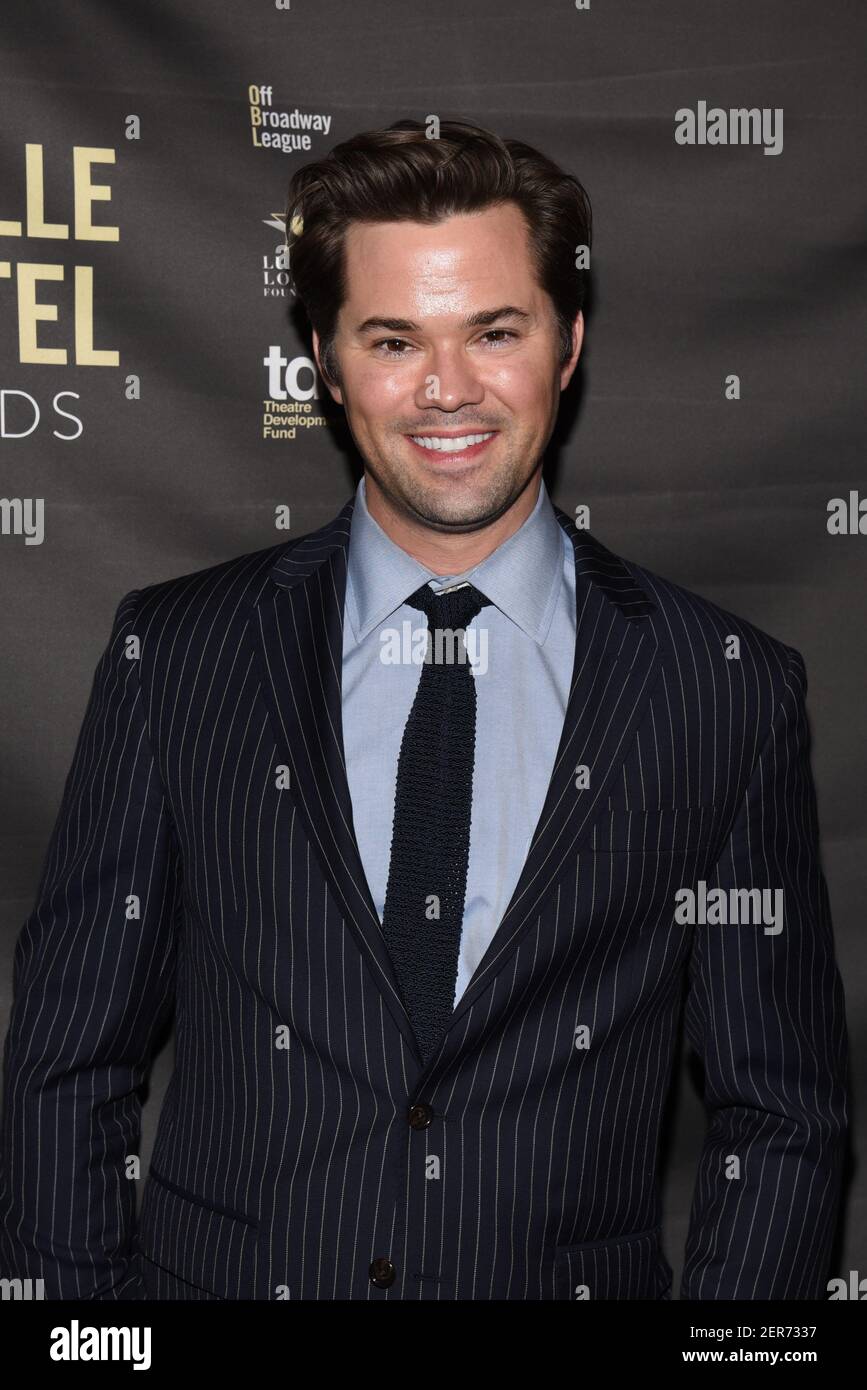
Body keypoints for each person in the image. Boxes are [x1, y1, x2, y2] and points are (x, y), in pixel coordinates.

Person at [0, 118, 848, 1301]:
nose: (448, 388)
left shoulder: (723, 686)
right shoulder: (180, 652)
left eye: (495, 331)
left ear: (567, 343)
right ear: (327, 362)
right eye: (394, 338)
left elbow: (783, 1113)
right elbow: (65, 1061)